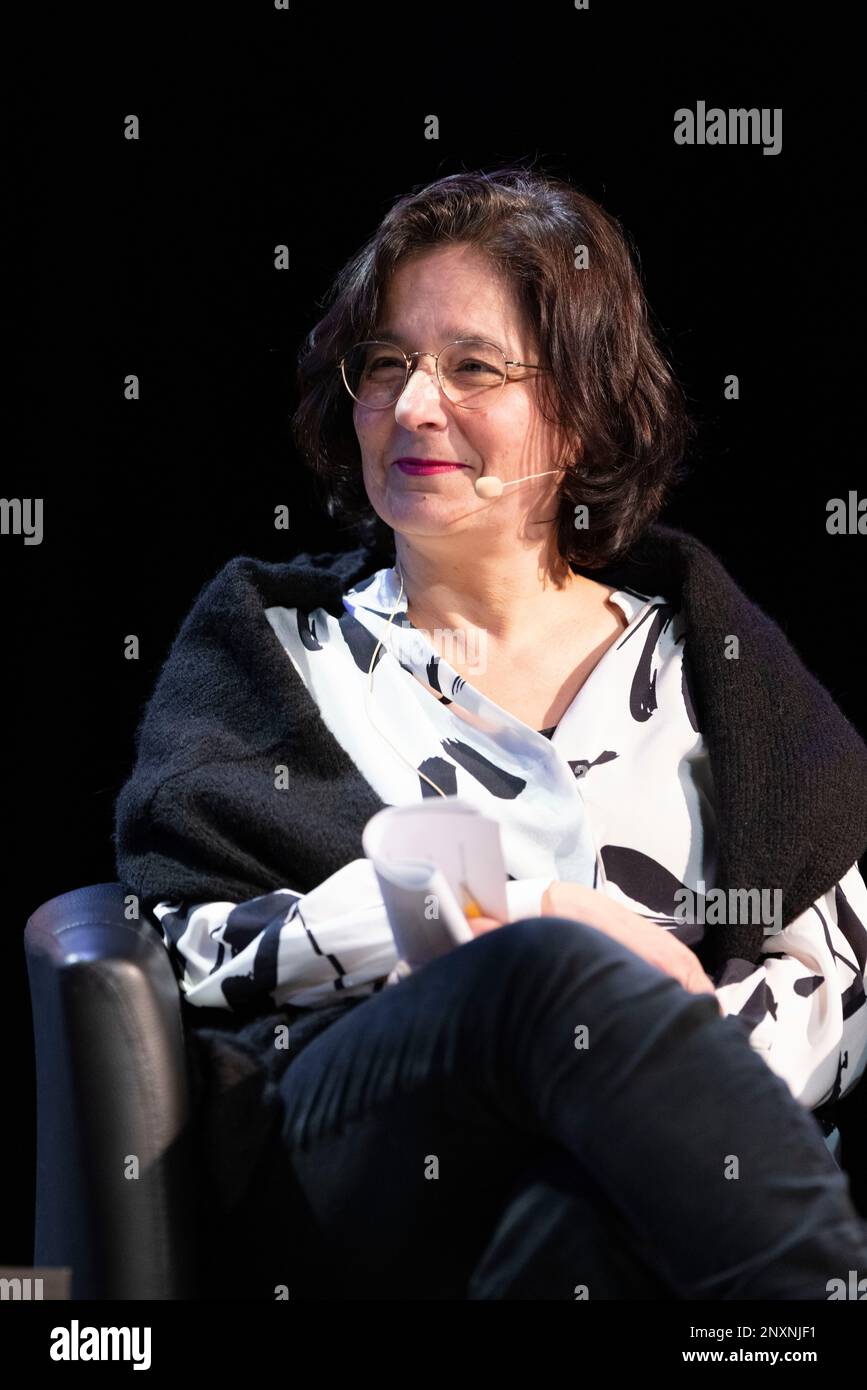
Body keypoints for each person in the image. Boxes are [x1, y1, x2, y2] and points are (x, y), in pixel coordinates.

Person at [113, 164, 867, 1300]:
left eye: (472, 366)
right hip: (348, 1154)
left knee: (575, 1229)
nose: (415, 405)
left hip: (634, 1197)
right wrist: (535, 924)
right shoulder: (272, 646)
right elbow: (185, 944)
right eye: (386, 364)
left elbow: (833, 979)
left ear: (581, 405)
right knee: (544, 971)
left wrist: (649, 1077)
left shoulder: (709, 661)